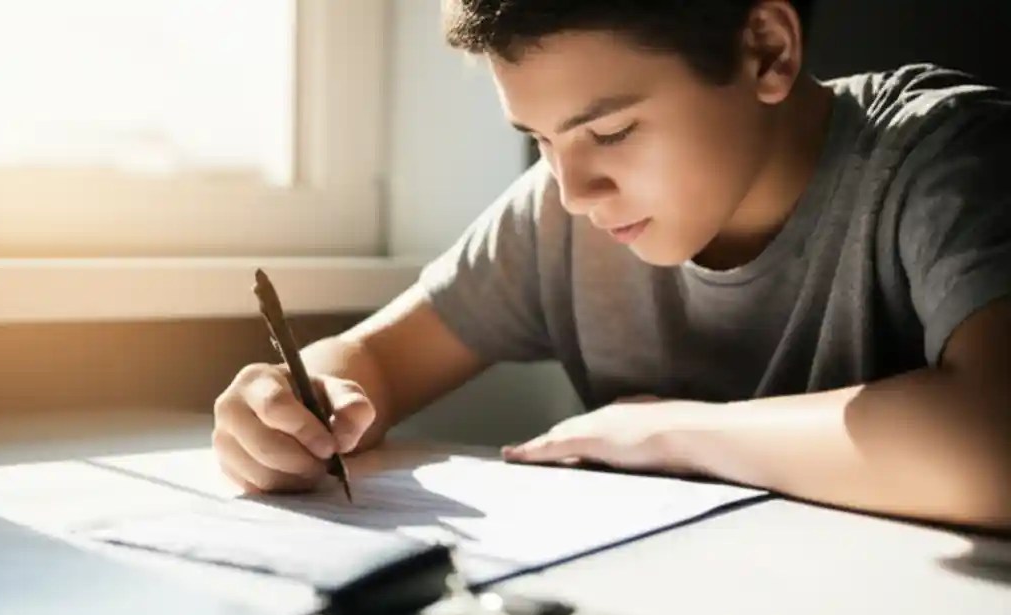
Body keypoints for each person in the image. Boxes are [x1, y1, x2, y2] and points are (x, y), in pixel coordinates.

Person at [212, 0, 1011, 528]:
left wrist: (668, 433)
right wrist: (292, 401)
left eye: (614, 132)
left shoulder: (944, 159)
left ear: (766, 50)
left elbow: (994, 447)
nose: (572, 191)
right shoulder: (566, 217)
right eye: (539, 140)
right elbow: (374, 362)